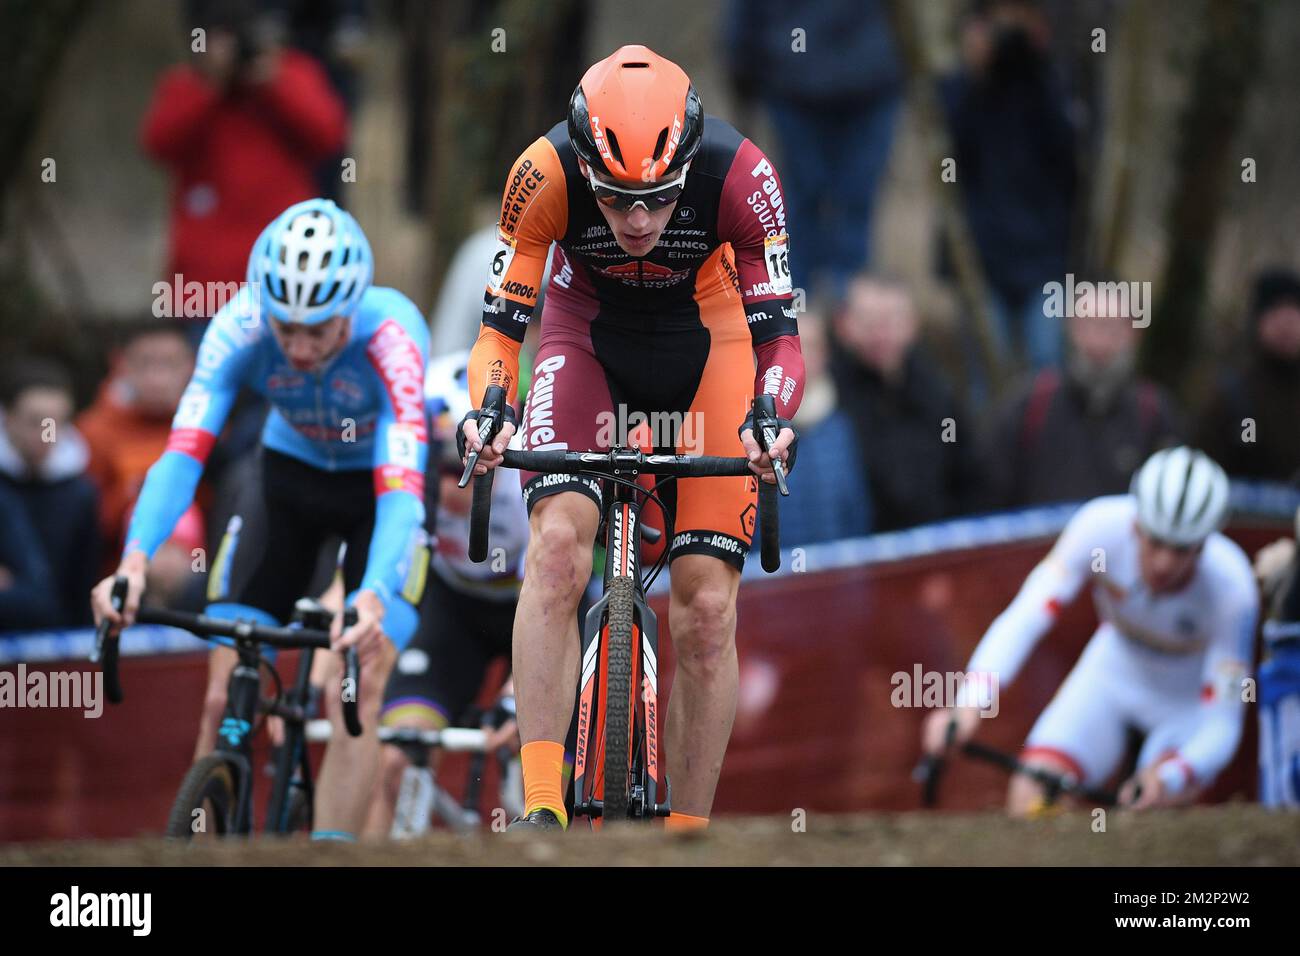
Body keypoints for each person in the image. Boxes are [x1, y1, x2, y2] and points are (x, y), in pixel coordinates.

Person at [459, 45, 804, 831]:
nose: (638, 220)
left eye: (656, 199)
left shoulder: (744, 176)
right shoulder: (539, 174)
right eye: (615, 200)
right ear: (584, 168)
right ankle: (541, 809)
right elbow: (500, 332)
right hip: (587, 342)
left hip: (709, 348)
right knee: (552, 553)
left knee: (708, 611)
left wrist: (769, 418)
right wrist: (489, 408)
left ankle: (686, 835)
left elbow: (780, 340)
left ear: (689, 163)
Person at [91, 199, 430, 842]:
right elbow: (182, 456)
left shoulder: (393, 335)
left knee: (357, 690)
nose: (300, 347)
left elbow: (401, 494)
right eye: (287, 329)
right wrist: (133, 560)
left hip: (378, 491)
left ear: (352, 309)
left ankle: (328, 854)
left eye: (320, 330)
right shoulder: (239, 326)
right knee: (224, 685)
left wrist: (372, 596)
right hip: (287, 477)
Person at [921, 447, 1257, 815]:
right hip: (1112, 672)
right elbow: (1027, 616)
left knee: (1155, 815)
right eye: (1154, 541)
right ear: (1135, 523)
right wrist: (969, 704)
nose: (1163, 562)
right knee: (1031, 796)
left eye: (1181, 550)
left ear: (1205, 542)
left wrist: (1171, 778)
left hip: (1185, 703)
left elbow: (1223, 720)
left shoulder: (1232, 586)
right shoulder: (1099, 527)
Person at [366, 349, 530, 836]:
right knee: (397, 753)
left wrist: (520, 691)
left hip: (534, 602)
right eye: (430, 464)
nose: (440, 486)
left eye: (453, 463)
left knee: (530, 767)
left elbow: (562, 588)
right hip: (454, 605)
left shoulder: (524, 467)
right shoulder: (414, 484)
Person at [141, 0, 347, 335]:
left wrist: (273, 82)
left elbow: (329, 135)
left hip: (285, 280)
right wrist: (211, 84)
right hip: (205, 287)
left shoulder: (293, 74)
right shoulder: (187, 85)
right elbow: (158, 142)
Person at [722, 0, 902, 303]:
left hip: (832, 79)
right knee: (831, 204)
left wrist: (743, 66)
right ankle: (824, 309)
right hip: (819, 81)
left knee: (817, 202)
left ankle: (813, 313)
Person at [939, 0, 1076, 376]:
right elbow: (948, 153)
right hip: (981, 255)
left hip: (1045, 255)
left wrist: (1038, 63)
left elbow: (1071, 154)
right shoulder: (960, 89)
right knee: (987, 367)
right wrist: (976, 73)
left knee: (1047, 365)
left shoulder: (1054, 83)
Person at [981, 286, 1185, 508]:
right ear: (1071, 327)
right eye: (1089, 324)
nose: (1098, 343)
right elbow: (987, 491)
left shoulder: (1155, 414)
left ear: (1133, 332)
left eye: (1110, 327)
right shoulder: (1028, 405)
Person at [831, 276, 981, 531]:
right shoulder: (829, 399)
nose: (880, 334)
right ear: (844, 325)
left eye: (891, 321)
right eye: (869, 322)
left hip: (935, 545)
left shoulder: (938, 392)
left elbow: (967, 476)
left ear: (912, 324)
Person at [78, 321, 206, 608]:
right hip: (116, 580)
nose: (158, 379)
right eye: (145, 364)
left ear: (191, 366)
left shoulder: (211, 428)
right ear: (121, 365)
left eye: (170, 365)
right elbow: (83, 524)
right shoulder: (94, 432)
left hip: (200, 575)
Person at [0, 359, 102, 627]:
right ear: (8, 418)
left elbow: (83, 585)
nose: (47, 436)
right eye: (35, 422)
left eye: (56, 423)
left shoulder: (81, 494)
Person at [1196, 268, 1300, 484]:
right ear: (1258, 319)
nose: (1287, 325)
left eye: (1295, 314)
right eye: (1277, 312)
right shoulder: (1231, 395)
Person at [777, 309, 872, 545]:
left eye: (810, 345)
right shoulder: (752, 430)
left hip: (840, 572)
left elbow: (858, 510)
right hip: (771, 577)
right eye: (789, 345)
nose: (801, 356)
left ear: (825, 354)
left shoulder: (844, 427)